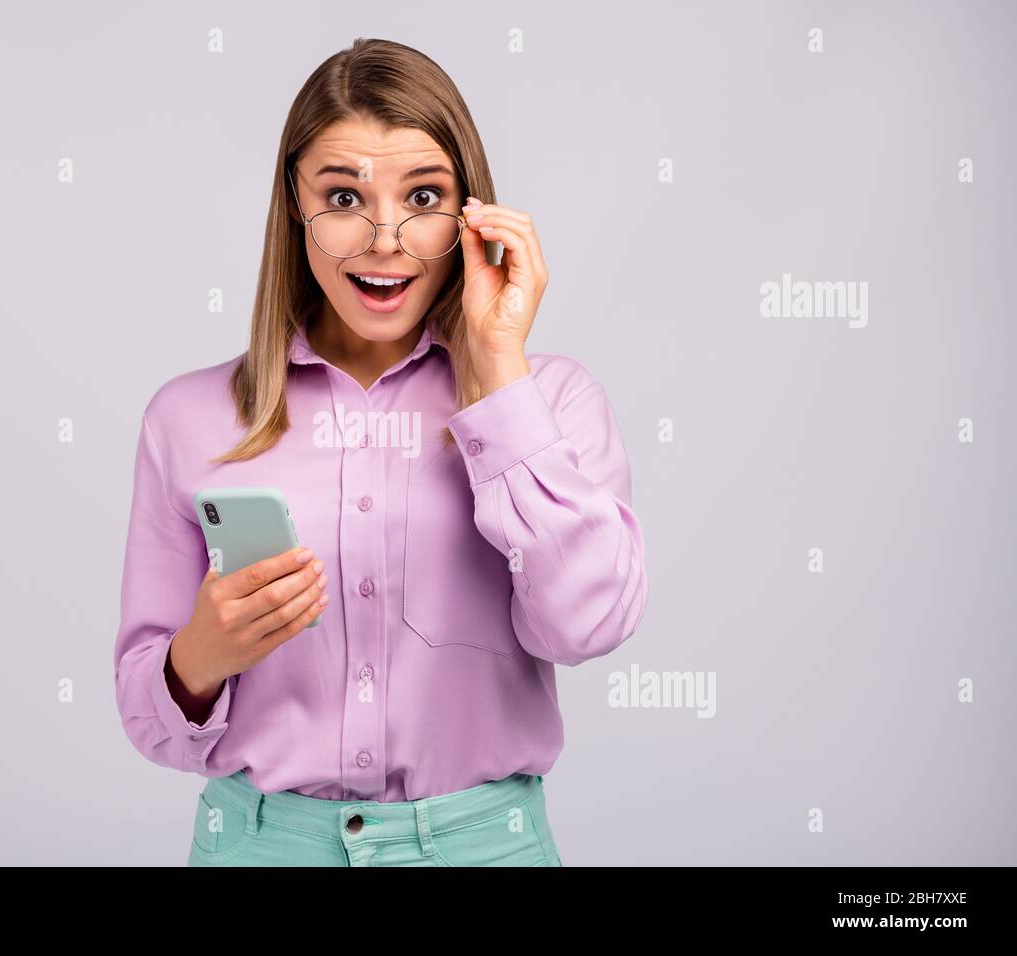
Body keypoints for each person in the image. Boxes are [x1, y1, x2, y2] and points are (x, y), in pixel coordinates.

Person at [113, 37, 649, 866]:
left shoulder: (554, 402)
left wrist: (498, 372)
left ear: (469, 215)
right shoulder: (186, 417)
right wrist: (201, 656)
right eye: (343, 196)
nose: (385, 238)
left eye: (423, 195)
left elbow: (588, 626)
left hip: (485, 848)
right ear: (294, 203)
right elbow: (151, 726)